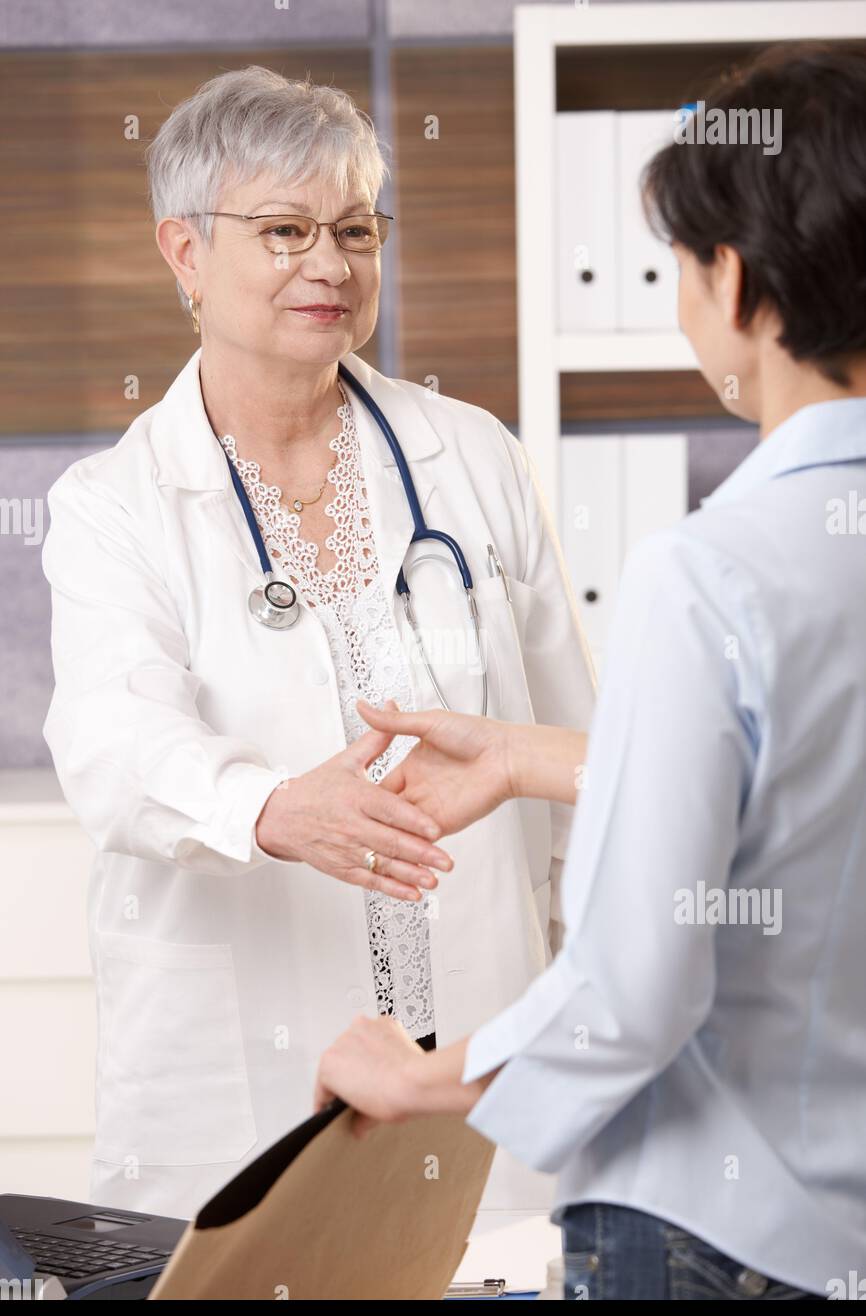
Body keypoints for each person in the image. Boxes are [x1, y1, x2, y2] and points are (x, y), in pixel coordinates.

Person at [315, 41, 866, 1300]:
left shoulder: (712, 571)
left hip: (710, 1247)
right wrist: (525, 755)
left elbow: (637, 991)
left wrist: (422, 1076)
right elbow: (804, 808)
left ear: (732, 281)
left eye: (676, 263)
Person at [40, 66, 595, 1220]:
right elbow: (110, 737)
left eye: (354, 229)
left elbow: (569, 745)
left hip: (477, 1050)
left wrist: (584, 1007)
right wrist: (267, 805)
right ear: (184, 254)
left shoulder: (471, 455)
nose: (331, 264)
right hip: (237, 1071)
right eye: (285, 230)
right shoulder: (115, 503)